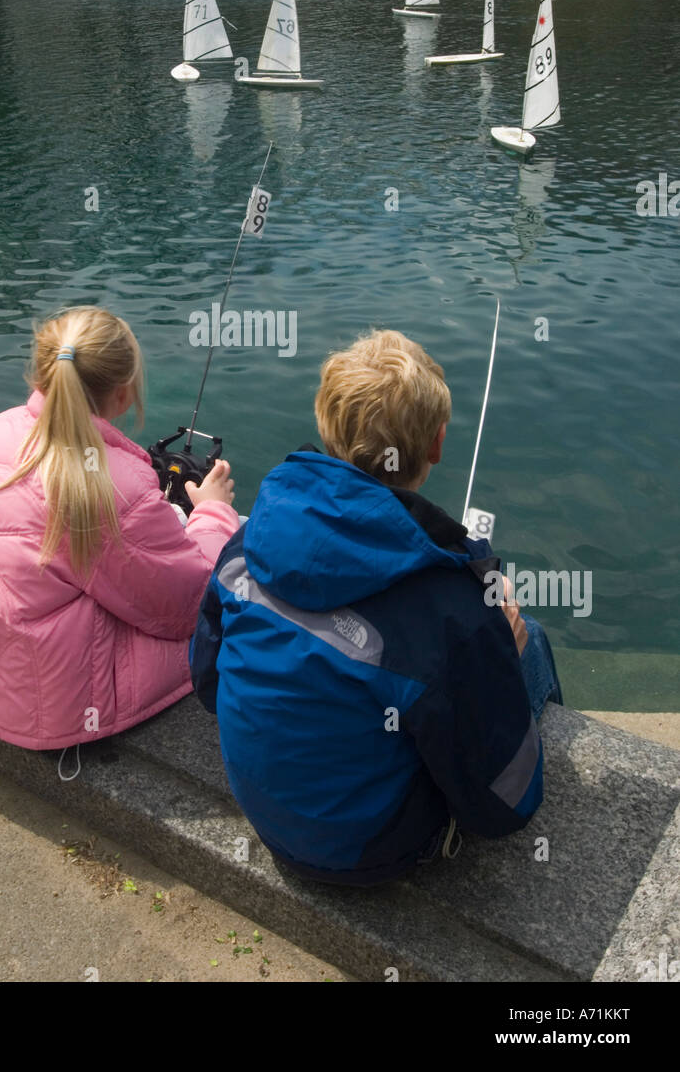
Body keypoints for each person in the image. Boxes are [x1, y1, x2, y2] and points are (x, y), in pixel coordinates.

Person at [190, 327, 561, 886]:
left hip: (269, 817)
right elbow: (504, 808)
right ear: (436, 445)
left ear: (327, 424)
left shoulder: (255, 535)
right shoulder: (451, 606)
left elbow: (207, 682)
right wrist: (500, 654)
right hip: (371, 851)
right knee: (527, 636)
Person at [0, 306, 239, 755]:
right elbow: (187, 606)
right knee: (227, 619)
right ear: (123, 395)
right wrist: (213, 514)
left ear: (40, 376)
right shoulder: (114, 486)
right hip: (40, 705)